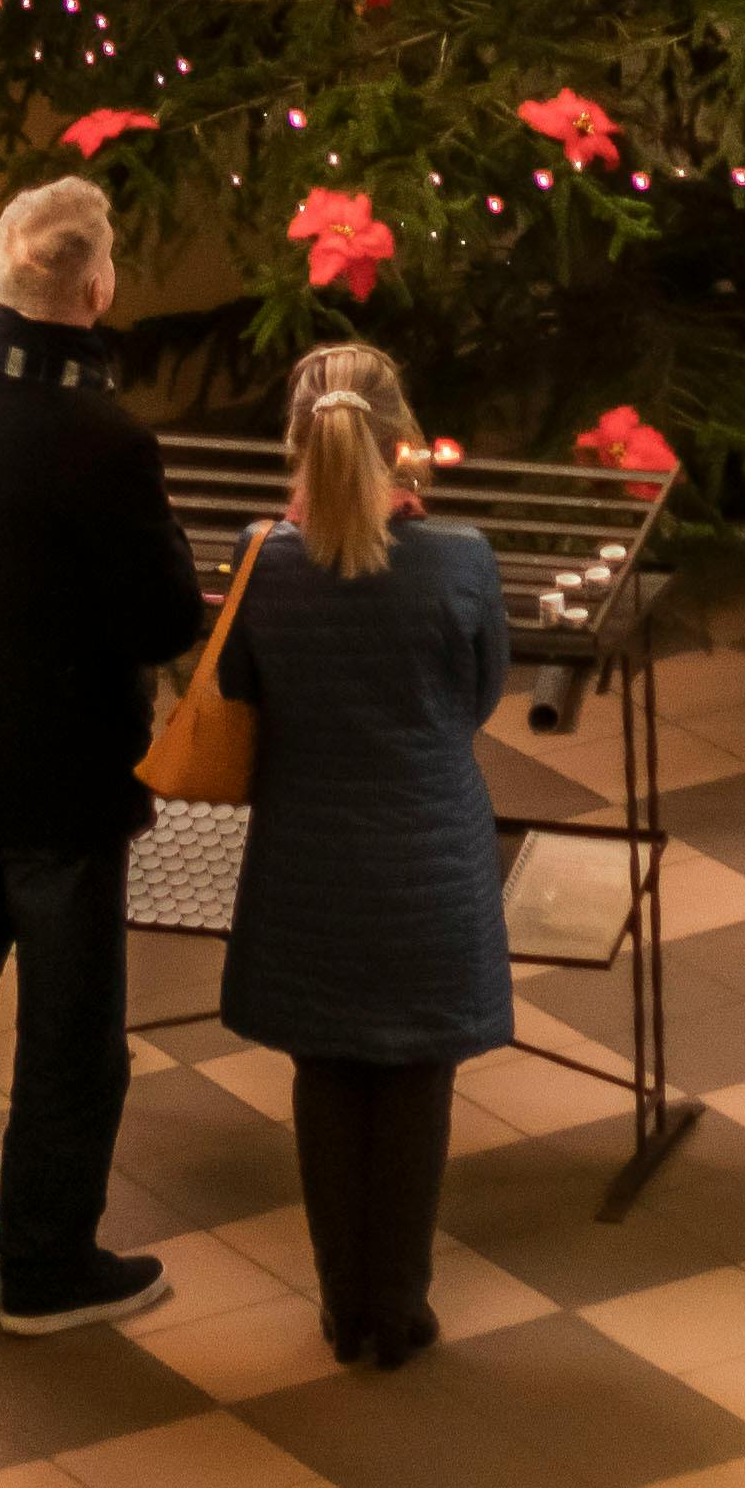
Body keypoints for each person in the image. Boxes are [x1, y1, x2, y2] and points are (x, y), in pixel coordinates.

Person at [0, 172, 208, 1338]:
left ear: (0, 269)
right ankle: (52, 1266)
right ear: (98, 286)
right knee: (67, 1037)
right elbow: (165, 621)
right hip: (61, 791)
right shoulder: (102, 439)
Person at [218, 343, 516, 1369]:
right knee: (414, 1079)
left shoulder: (264, 562)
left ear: (297, 440)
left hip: (306, 858)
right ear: (403, 441)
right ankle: (400, 1306)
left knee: (326, 1071)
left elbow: (244, 699)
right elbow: (475, 701)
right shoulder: (461, 560)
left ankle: (343, 1307)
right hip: (428, 858)